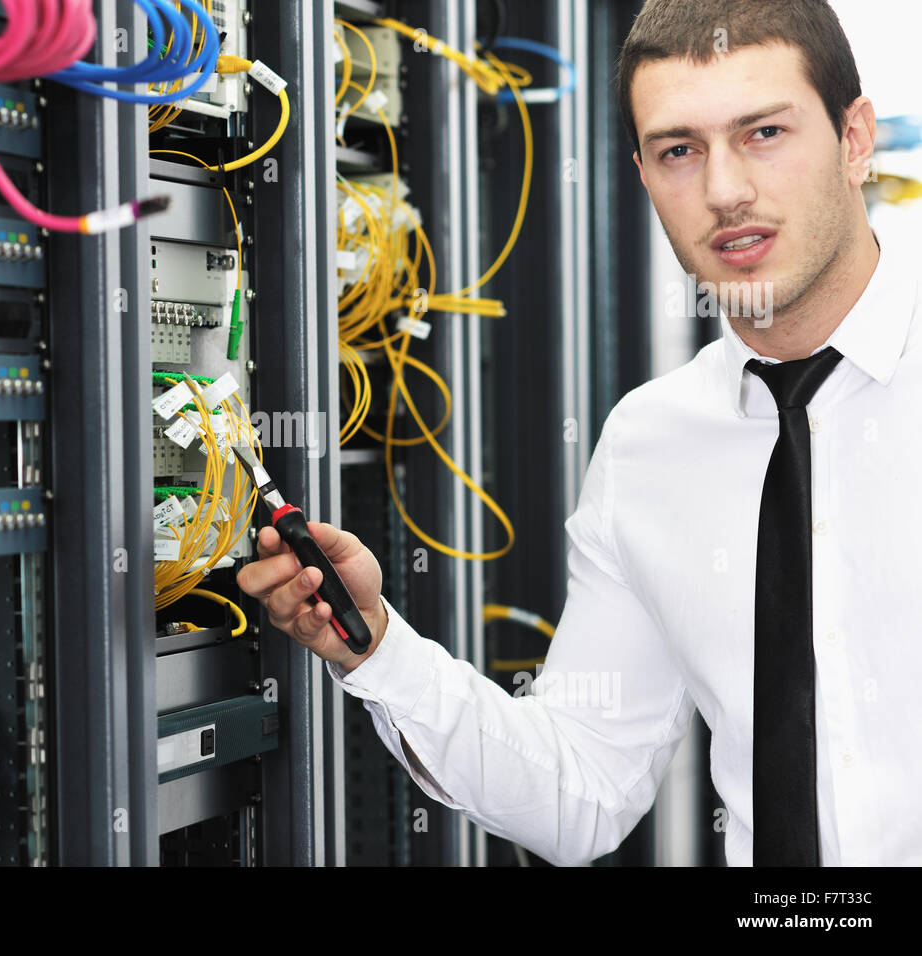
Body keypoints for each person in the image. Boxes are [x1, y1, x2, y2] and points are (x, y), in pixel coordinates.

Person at [237, 0, 922, 866]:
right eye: (680, 150)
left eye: (763, 134)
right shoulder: (652, 445)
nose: (723, 191)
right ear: (642, 174)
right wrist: (375, 642)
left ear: (854, 138)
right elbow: (581, 791)